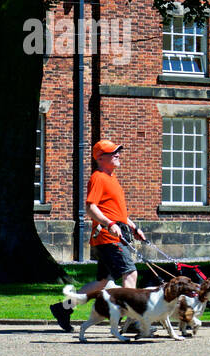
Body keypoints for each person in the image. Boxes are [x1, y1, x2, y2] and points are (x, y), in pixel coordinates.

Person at [50, 140, 147, 332]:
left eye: (118, 151)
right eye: (113, 153)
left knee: (102, 283)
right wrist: (109, 224)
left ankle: (63, 308)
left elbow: (115, 212)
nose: (118, 155)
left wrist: (133, 226)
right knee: (130, 273)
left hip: (113, 236)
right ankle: (132, 322)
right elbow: (90, 207)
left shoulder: (112, 179)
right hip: (108, 238)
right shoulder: (98, 177)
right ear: (100, 158)